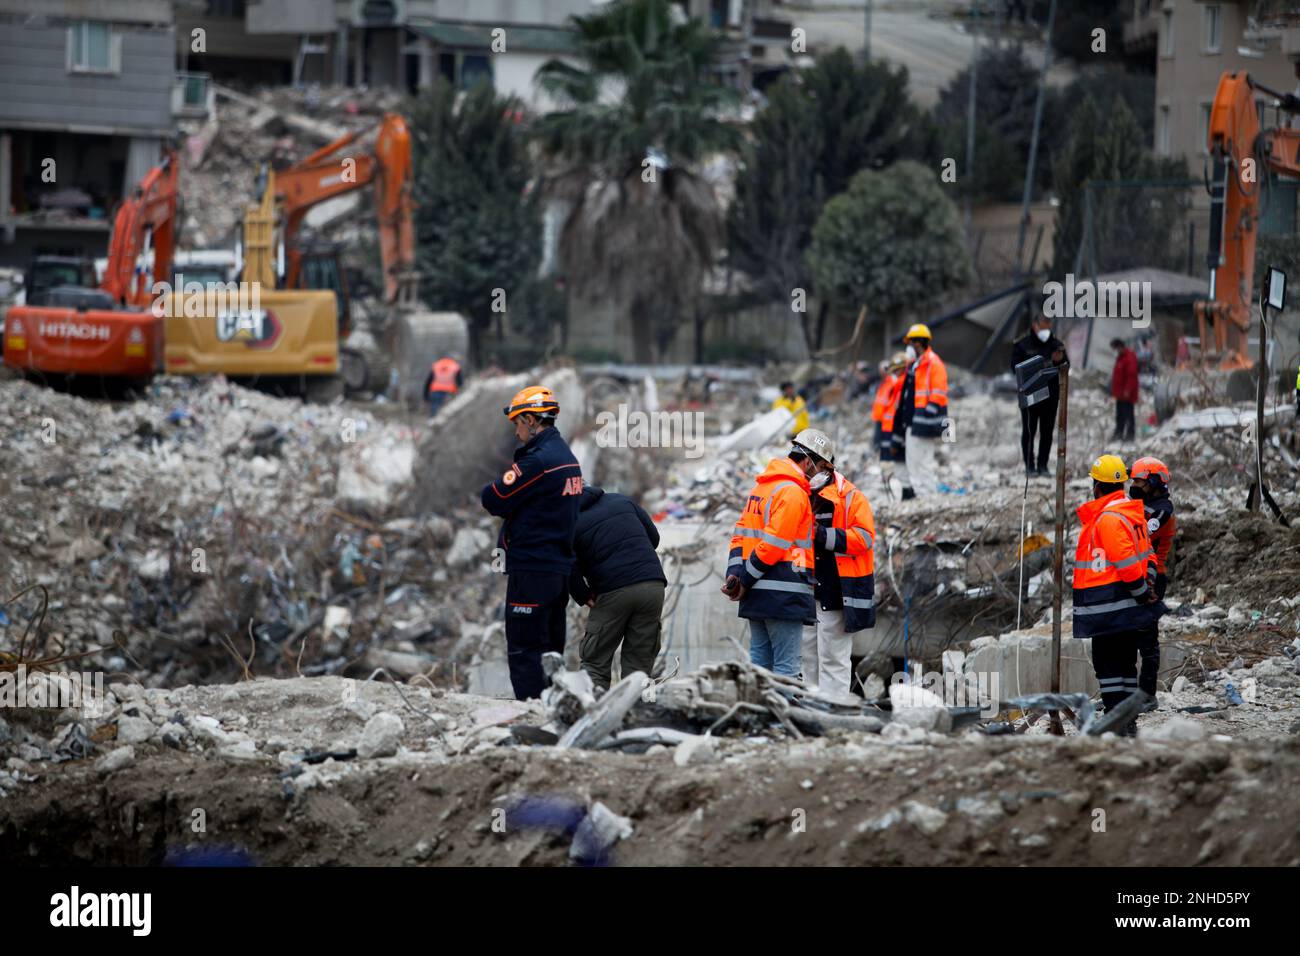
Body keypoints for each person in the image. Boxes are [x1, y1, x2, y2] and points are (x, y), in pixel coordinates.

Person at [480, 385, 583, 700]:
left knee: (525, 651)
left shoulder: (537, 462)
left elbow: (494, 498)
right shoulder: (568, 458)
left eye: (517, 424)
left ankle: (532, 715)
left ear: (530, 419)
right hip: (557, 573)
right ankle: (552, 712)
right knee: (551, 652)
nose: (516, 433)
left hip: (533, 570)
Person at [1071, 454, 1166, 737]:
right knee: (1124, 665)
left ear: (1097, 486)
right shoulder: (1130, 513)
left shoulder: (1108, 519)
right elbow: (1147, 553)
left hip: (1110, 607)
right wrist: (1146, 588)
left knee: (1108, 665)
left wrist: (1140, 592)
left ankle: (1117, 723)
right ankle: (1127, 723)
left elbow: (1124, 560)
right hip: (1125, 608)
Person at [722, 437, 816, 677]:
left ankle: (758, 714)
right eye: (820, 466)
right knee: (787, 669)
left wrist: (735, 575)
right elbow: (775, 544)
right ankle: (781, 715)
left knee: (759, 666)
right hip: (783, 595)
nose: (819, 475)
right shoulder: (793, 493)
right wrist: (743, 581)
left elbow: (739, 535)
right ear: (807, 462)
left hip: (757, 595)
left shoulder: (761, 489)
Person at [798, 429, 876, 696]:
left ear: (826, 466)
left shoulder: (851, 497)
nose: (807, 468)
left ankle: (835, 714)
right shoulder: (800, 494)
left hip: (835, 593)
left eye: (812, 462)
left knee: (833, 660)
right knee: (807, 660)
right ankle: (810, 712)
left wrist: (821, 535)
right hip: (806, 592)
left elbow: (864, 538)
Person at [569, 485, 667, 693]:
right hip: (652, 585)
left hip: (612, 590)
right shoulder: (622, 500)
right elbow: (654, 539)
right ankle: (635, 716)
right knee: (640, 664)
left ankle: (594, 716)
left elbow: (567, 565)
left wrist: (583, 595)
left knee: (595, 663)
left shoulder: (568, 521)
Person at [1129, 457, 1176, 707]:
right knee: (1128, 637)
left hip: (1152, 577)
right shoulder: (1141, 504)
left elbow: (1142, 531)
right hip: (1136, 575)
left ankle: (1147, 694)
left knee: (1147, 639)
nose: (1134, 485)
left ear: (1154, 482)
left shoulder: (1162, 510)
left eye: (1139, 481)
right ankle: (1128, 696)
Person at [891, 323, 949, 498]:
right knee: (913, 460)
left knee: (922, 461)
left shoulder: (933, 363)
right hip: (914, 422)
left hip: (923, 421)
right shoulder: (917, 365)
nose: (910, 346)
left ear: (921, 342)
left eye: (912, 342)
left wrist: (927, 413)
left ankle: (928, 495)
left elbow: (939, 392)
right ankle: (922, 495)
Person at [1011, 316, 1069, 477]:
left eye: (1048, 327)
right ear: (1035, 326)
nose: (1046, 331)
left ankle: (1042, 466)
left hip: (1050, 397)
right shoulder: (1022, 344)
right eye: (1043, 327)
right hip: (1030, 396)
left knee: (1047, 432)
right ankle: (1030, 466)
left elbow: (1066, 368)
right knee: (1029, 431)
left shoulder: (1057, 344)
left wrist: (1060, 360)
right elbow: (1014, 368)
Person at [871, 353, 906, 452]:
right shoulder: (883, 383)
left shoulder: (892, 383)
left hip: (886, 418)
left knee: (884, 442)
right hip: (879, 416)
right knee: (878, 441)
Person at [1110, 338, 1139, 442]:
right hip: (1120, 394)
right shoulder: (1121, 358)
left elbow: (1131, 376)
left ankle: (1130, 434)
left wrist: (1128, 390)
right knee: (1120, 415)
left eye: (1117, 349)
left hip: (1127, 394)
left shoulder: (1129, 357)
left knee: (1128, 415)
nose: (1116, 351)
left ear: (1121, 347)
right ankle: (1119, 432)